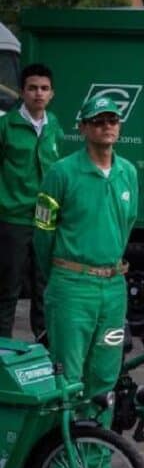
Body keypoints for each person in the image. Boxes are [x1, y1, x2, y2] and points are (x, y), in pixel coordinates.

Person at [33, 96, 137, 423]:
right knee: (68, 378)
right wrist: (62, 272)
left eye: (112, 121)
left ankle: (95, 465)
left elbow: (127, 223)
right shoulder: (61, 173)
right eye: (98, 121)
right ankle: (64, 462)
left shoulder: (128, 173)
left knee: (105, 375)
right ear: (83, 128)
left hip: (113, 288)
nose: (107, 127)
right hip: (73, 286)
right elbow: (42, 231)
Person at [0, 64, 62, 341]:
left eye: (44, 88)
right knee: (7, 290)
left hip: (46, 221)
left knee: (44, 289)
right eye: (33, 88)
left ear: (51, 94)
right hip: (12, 218)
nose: (39, 93)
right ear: (22, 92)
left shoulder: (55, 126)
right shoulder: (5, 126)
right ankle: (2, 353)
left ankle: (44, 351)